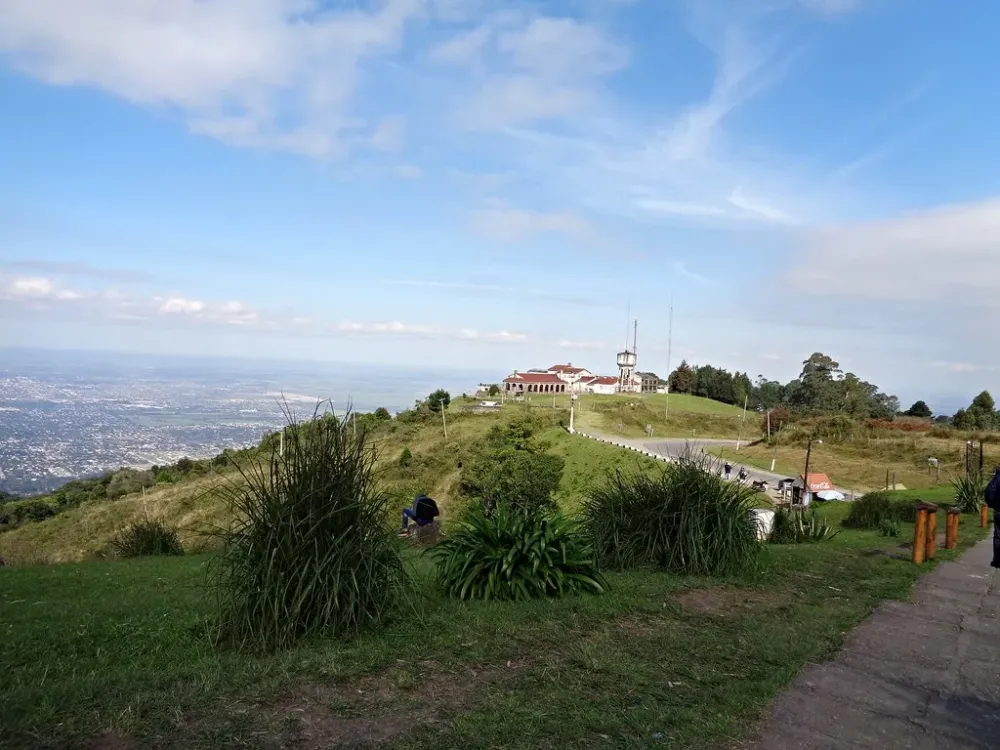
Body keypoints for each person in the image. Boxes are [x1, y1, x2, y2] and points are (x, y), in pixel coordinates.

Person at [985, 467, 1000, 568]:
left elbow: (990, 491)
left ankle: (998, 560)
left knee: (998, 536)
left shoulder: (998, 475)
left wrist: (992, 504)